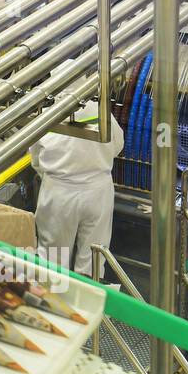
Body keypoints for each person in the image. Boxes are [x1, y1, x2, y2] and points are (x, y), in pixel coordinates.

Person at [31, 98, 123, 276]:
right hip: (97, 192)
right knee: (93, 262)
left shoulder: (48, 115)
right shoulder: (102, 114)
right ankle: (88, 301)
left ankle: (53, 302)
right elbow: (118, 145)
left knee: (53, 262)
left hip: (58, 194)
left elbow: (36, 158)